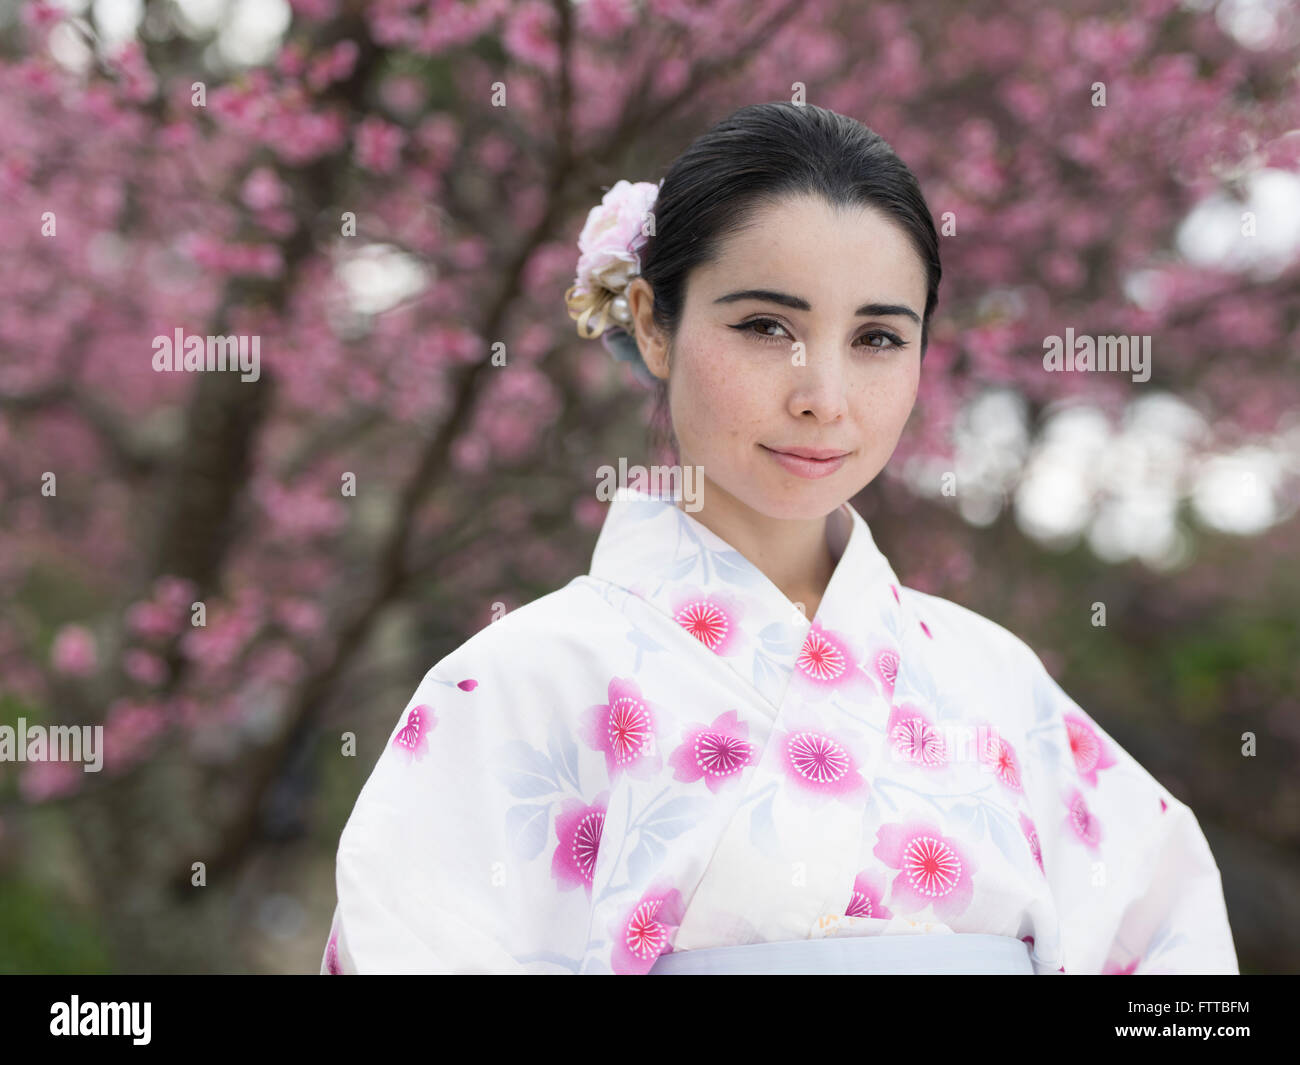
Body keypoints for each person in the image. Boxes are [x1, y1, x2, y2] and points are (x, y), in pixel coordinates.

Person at [320, 102, 1238, 975]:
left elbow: (1175, 950)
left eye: (877, 338)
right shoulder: (519, 683)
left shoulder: (995, 681)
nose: (823, 396)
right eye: (767, 326)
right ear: (651, 321)